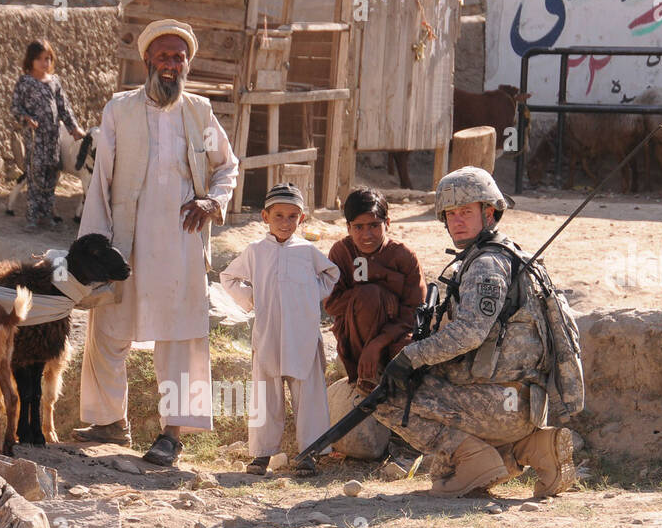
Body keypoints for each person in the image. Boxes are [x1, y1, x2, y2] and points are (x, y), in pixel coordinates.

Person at [72, 19, 240, 467]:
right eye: (164, 56)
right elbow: (101, 178)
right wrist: (93, 244)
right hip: (125, 241)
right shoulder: (119, 110)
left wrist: (212, 201)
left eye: (179, 57)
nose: (172, 64)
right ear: (147, 59)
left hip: (182, 245)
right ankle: (110, 421)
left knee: (180, 334)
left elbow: (228, 167)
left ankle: (172, 433)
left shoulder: (200, 112)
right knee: (107, 325)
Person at [372, 167, 576, 498]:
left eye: (466, 212)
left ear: (490, 212)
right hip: (519, 402)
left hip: (502, 403)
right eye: (450, 214)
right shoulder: (509, 255)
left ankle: (477, 460)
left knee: (386, 397)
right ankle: (534, 447)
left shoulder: (486, 265)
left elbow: (469, 333)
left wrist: (410, 358)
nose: (457, 221)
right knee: (441, 475)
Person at [220, 182, 339, 476]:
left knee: (309, 395)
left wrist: (311, 294)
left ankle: (310, 453)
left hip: (303, 335)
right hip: (268, 333)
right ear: (265, 217)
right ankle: (262, 455)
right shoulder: (255, 251)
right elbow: (228, 277)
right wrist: (251, 299)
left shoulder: (307, 251)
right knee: (265, 394)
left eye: (292, 217)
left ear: (302, 219)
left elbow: (331, 274)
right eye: (279, 216)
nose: (285, 223)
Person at [324, 188, 427, 393]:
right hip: (355, 336)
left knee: (411, 354)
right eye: (358, 227)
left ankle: (381, 366)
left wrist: (377, 344)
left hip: (395, 333)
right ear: (348, 228)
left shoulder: (404, 256)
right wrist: (374, 289)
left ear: (387, 223)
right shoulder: (341, 253)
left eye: (374, 225)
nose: (366, 235)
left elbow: (415, 311)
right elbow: (331, 304)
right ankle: (368, 374)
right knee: (368, 295)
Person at [11, 40, 86, 233]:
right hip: (35, 138)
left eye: (48, 58)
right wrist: (26, 118)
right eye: (39, 59)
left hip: (53, 137)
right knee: (35, 175)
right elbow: (15, 108)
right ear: (31, 60)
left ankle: (47, 215)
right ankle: (32, 218)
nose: (44, 63)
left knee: (51, 174)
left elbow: (64, 107)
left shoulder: (54, 82)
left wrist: (74, 128)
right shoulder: (25, 82)